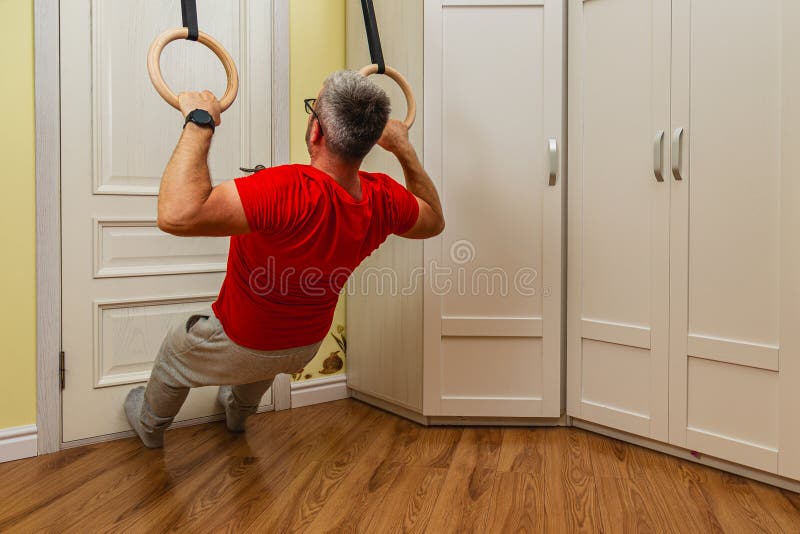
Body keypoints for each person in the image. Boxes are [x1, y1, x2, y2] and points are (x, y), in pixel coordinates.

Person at [124, 70, 445, 448]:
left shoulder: (284, 188)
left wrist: (199, 121)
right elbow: (434, 221)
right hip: (305, 346)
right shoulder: (383, 198)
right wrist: (403, 147)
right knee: (265, 359)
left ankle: (150, 424)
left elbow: (175, 214)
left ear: (316, 132)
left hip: (243, 340)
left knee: (178, 347)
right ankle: (238, 413)